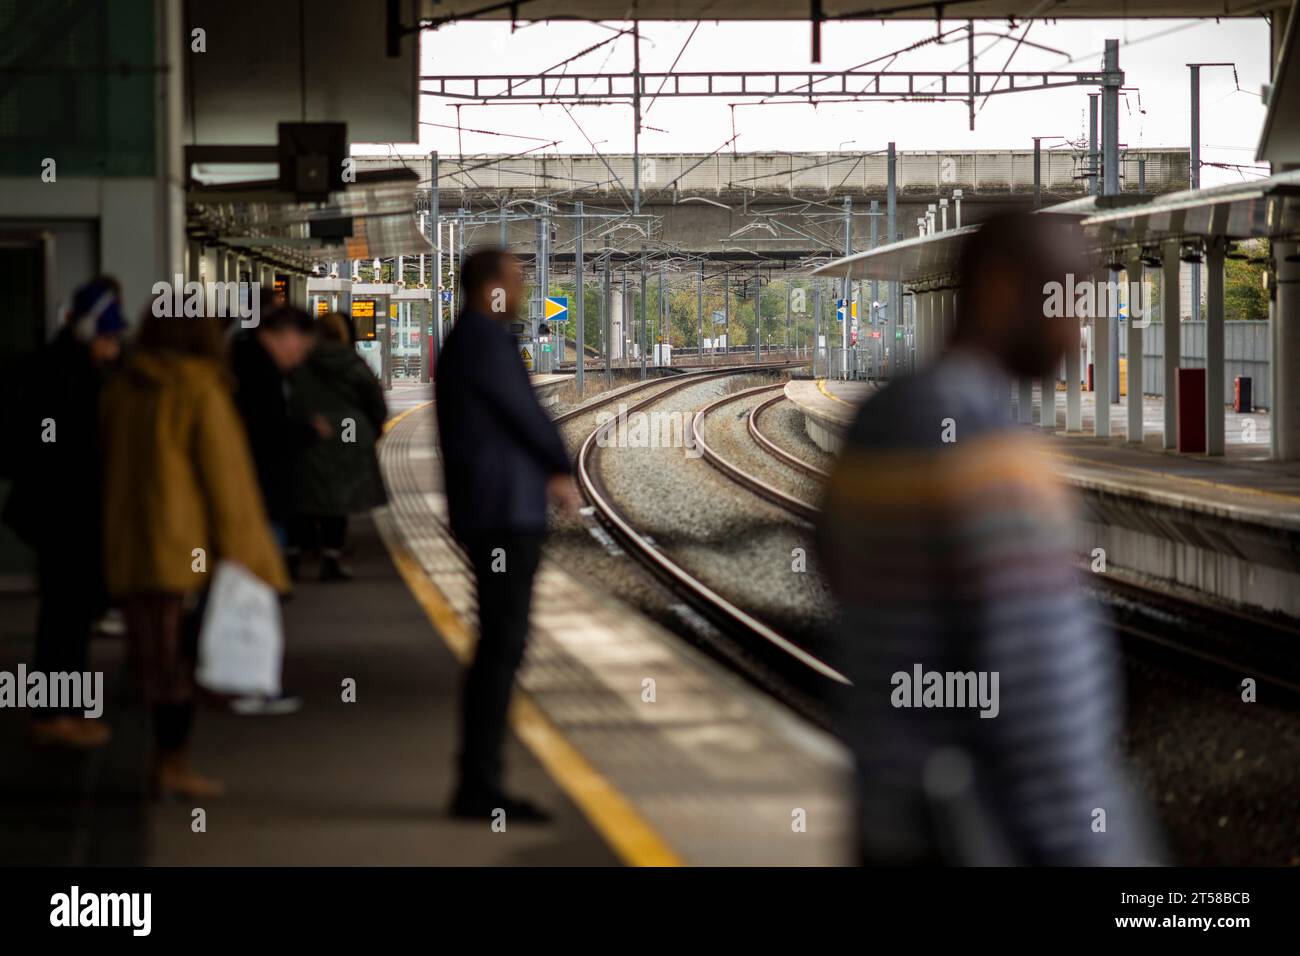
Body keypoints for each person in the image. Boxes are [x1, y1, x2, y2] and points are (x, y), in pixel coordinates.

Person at [816, 212, 1161, 866]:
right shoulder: (990, 459)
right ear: (1003, 291)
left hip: (888, 824)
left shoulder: (876, 426)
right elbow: (1042, 720)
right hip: (987, 840)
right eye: (1068, 299)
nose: (1077, 330)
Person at [101, 313, 288, 798]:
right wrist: (250, 555)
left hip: (133, 547)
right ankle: (171, 764)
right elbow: (227, 482)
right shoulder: (202, 391)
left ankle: (154, 763)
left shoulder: (121, 392)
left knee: (150, 661)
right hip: (189, 554)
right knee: (183, 664)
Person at [435, 248, 579, 822]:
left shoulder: (469, 340)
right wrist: (558, 465)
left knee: (500, 643)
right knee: (502, 645)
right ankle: (479, 785)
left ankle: (479, 778)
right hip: (501, 513)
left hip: (488, 507)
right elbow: (524, 413)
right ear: (490, 285)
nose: (521, 289)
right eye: (515, 279)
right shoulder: (485, 340)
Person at [3, 277, 125, 748]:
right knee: (62, 618)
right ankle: (52, 714)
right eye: (109, 338)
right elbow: (62, 451)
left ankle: (65, 710)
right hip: (64, 515)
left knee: (67, 617)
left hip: (63, 513)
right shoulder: (63, 374)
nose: (112, 348)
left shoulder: (64, 367)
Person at [287, 312, 388, 581]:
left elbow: (290, 398)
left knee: (305, 496)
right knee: (338, 498)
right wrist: (374, 428)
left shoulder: (300, 362)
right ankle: (332, 558)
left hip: (310, 434)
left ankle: (295, 556)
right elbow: (375, 401)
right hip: (348, 436)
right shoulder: (352, 362)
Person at [228, 296, 329, 550]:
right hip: (255, 493)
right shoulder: (257, 370)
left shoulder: (246, 358)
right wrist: (310, 432)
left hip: (255, 491)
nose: (299, 358)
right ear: (287, 335)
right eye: (301, 348)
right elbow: (266, 431)